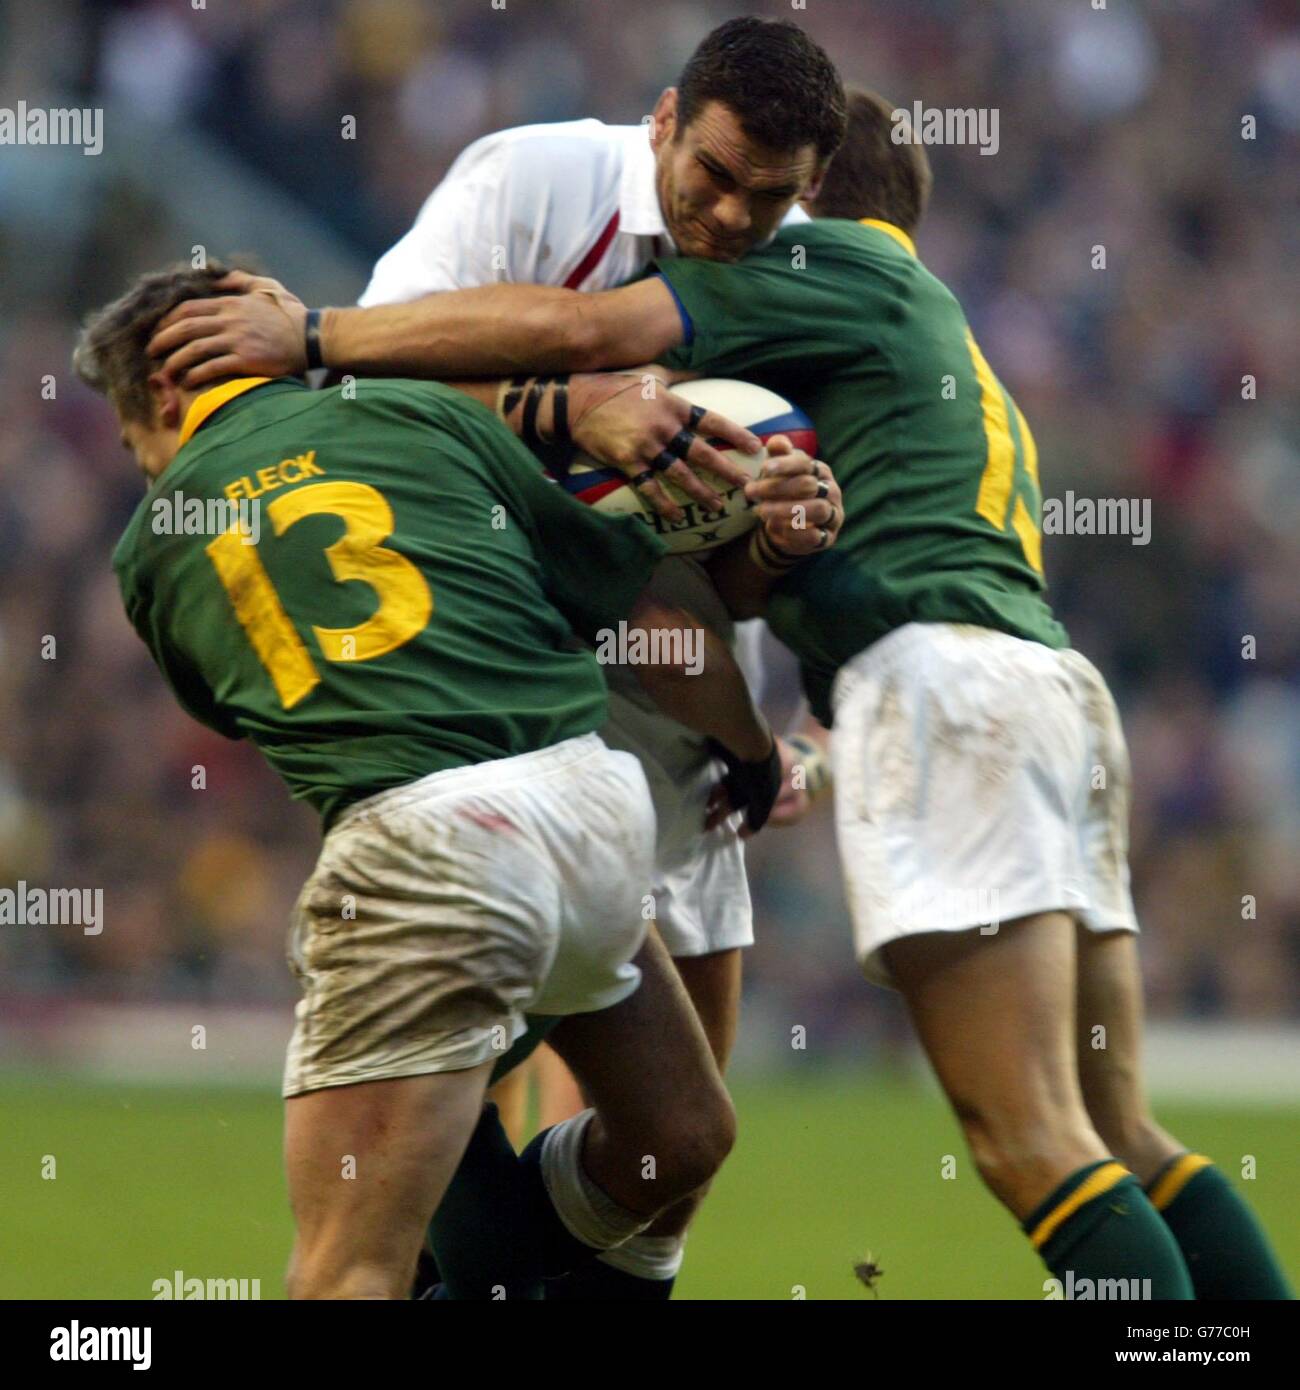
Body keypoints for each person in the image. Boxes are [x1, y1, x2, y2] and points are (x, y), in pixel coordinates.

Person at [148, 14, 848, 1298]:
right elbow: (352, 398)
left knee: (670, 1165)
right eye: (714, 176)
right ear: (662, 123)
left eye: (772, 195)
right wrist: (566, 404)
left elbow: (726, 566)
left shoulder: (798, 276)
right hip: (496, 677)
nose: (739, 217)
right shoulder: (533, 183)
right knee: (450, 1072)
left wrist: (785, 539)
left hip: (669, 682)